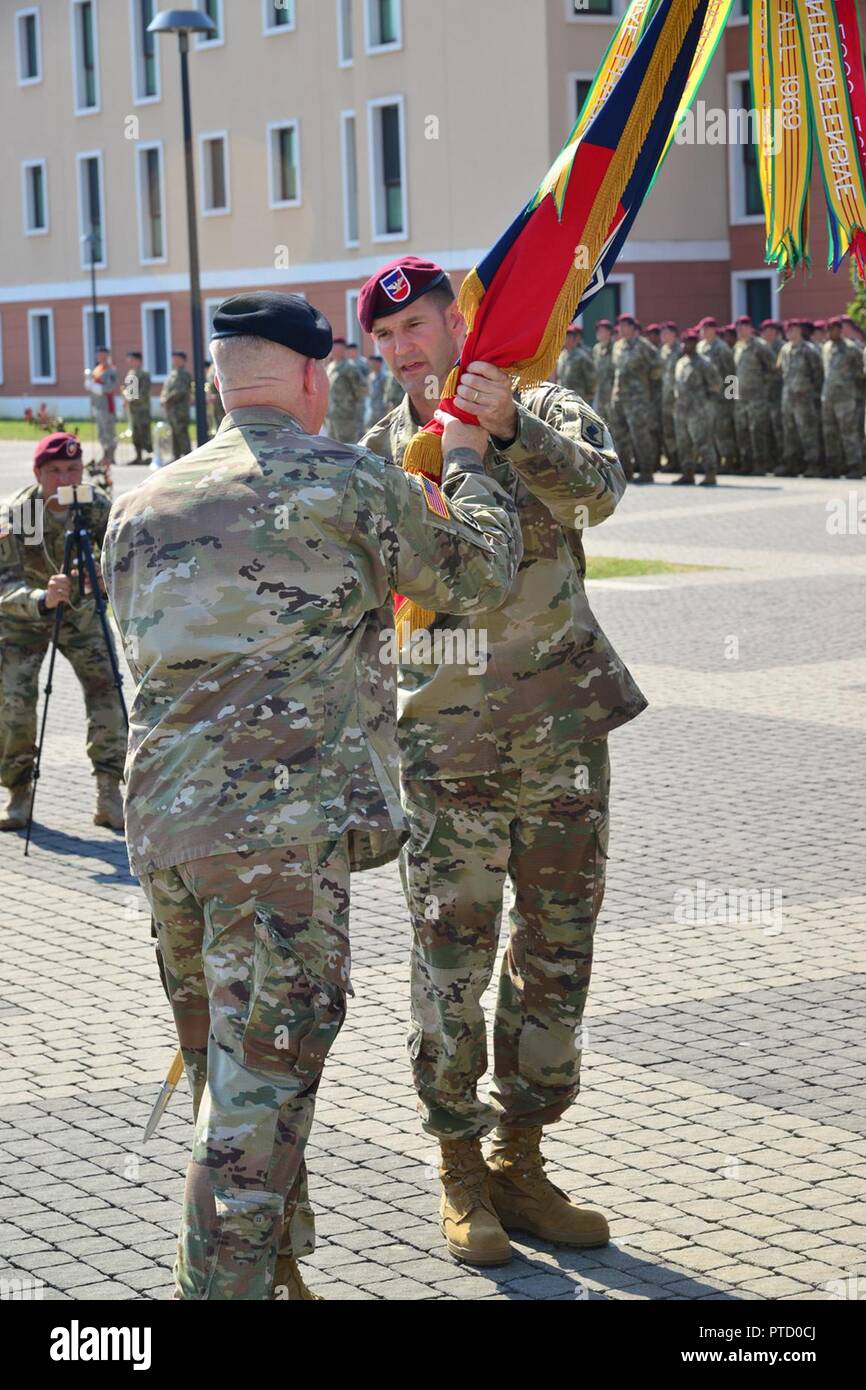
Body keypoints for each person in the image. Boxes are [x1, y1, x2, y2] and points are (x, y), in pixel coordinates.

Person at [101, 290, 521, 1301]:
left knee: (225, 1072)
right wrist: (464, 460)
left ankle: (276, 1268)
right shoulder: (350, 483)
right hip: (277, 847)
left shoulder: (140, 504)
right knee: (257, 1096)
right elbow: (480, 577)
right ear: (309, 376)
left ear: (216, 381)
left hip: (165, 833)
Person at [358, 254, 647, 1267]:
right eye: (384, 340)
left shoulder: (544, 403)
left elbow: (601, 495)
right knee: (451, 963)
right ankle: (458, 1165)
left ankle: (523, 1157)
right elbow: (380, 600)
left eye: (416, 329)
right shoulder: (385, 455)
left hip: (562, 736)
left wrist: (512, 434)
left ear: (456, 323)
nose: (401, 352)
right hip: (449, 749)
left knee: (555, 954)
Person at [0, 433, 126, 832]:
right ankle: (18, 792)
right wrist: (41, 596)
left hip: (82, 616)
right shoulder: (23, 514)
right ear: (38, 474)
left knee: (107, 689)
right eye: (54, 472)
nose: (65, 479)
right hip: (26, 620)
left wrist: (106, 577)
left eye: (72, 470)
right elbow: (4, 585)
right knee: (14, 701)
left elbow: (126, 556)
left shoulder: (93, 506)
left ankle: (110, 792)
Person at [610, 312, 661, 482]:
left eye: (626, 326)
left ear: (633, 328)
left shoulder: (643, 345)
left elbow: (658, 366)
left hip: (637, 399)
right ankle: (626, 470)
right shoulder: (618, 346)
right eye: (620, 326)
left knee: (640, 435)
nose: (622, 329)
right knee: (620, 436)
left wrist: (646, 384)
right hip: (619, 399)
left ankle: (646, 470)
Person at [776, 319, 824, 478]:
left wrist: (812, 393)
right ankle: (792, 463)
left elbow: (818, 374)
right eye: (789, 330)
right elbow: (781, 370)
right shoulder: (784, 349)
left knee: (807, 431)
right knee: (789, 432)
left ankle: (813, 463)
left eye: (795, 330)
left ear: (801, 332)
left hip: (804, 398)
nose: (791, 333)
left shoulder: (809, 350)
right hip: (788, 397)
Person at [672, 329, 720, 486]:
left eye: (691, 342)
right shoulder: (681, 362)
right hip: (681, 409)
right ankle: (688, 473)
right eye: (685, 342)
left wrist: (703, 400)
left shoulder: (704, 362)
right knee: (683, 442)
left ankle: (710, 473)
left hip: (698, 410)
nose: (687, 345)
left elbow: (716, 384)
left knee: (702, 441)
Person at [733, 315, 779, 475]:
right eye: (737, 328)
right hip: (740, 398)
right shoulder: (737, 347)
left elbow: (774, 370)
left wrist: (762, 387)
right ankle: (747, 463)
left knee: (757, 431)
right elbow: (732, 373)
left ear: (750, 329)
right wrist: (731, 394)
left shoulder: (760, 346)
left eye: (742, 327)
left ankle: (761, 464)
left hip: (756, 397)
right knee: (742, 431)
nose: (739, 330)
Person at [822, 316, 865, 480]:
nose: (832, 332)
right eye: (830, 328)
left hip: (845, 398)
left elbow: (860, 372)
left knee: (849, 433)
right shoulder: (825, 348)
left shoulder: (851, 348)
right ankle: (834, 465)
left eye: (835, 328)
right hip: (828, 397)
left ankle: (855, 465)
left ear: (840, 330)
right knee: (830, 432)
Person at [697, 316, 739, 472]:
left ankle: (728, 460)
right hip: (704, 397)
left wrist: (731, 397)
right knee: (707, 430)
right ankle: (712, 461)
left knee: (722, 430)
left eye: (707, 329)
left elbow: (731, 374)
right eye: (702, 329)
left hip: (720, 398)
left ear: (714, 330)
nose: (703, 332)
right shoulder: (700, 347)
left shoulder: (722, 349)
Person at [325, 338, 367, 443]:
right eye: (332, 347)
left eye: (336, 348)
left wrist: (350, 406)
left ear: (343, 350)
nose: (333, 350)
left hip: (346, 417)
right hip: (332, 415)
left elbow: (361, 390)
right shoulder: (330, 367)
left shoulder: (350, 367)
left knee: (347, 448)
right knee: (333, 447)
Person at [85, 346, 118, 469]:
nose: (101, 357)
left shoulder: (111, 370)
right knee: (101, 432)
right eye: (99, 355)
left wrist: (95, 387)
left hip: (106, 405)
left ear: (107, 356)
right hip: (98, 405)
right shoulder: (97, 369)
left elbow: (109, 387)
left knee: (108, 430)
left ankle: (110, 455)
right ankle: (105, 454)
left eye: (103, 355)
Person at [160, 350, 193, 460]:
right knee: (173, 433)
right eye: (173, 358)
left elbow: (181, 391)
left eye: (177, 358)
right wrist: (162, 398)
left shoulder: (184, 374)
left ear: (183, 360)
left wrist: (167, 400)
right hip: (171, 410)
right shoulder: (172, 374)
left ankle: (188, 457)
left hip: (180, 410)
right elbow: (165, 389)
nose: (174, 360)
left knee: (181, 433)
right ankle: (176, 456)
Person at [122, 352, 153, 466]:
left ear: (139, 361)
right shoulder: (130, 374)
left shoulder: (143, 374)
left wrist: (131, 399)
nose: (129, 362)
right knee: (135, 434)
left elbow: (143, 392)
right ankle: (138, 456)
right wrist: (126, 398)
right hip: (133, 410)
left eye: (132, 360)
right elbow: (129, 391)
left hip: (142, 409)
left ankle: (150, 456)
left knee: (144, 432)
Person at [659, 320, 681, 472]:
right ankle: (672, 460)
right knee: (667, 431)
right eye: (663, 333)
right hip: (665, 397)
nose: (664, 336)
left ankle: (683, 461)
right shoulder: (663, 351)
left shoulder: (681, 350)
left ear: (674, 334)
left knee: (679, 431)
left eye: (667, 332)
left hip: (678, 398)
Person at [556, 324, 597, 402]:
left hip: (578, 397)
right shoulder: (562, 356)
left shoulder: (582, 356)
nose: (566, 339)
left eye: (569, 337)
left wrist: (589, 394)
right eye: (565, 336)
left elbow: (591, 377)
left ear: (575, 340)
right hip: (563, 397)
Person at [365, 354, 403, 429]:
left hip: (382, 408)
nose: (372, 365)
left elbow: (388, 392)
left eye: (374, 363)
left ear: (379, 363)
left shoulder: (385, 377)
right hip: (373, 408)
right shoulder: (371, 377)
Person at [592, 317, 616, 421]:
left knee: (614, 421)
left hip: (612, 391)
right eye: (598, 330)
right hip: (600, 391)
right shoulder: (596, 349)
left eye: (602, 330)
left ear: (609, 332)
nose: (599, 333)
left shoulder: (616, 348)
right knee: (602, 422)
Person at [204, 359, 225, 435]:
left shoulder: (221, 364)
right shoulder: (213, 367)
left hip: (220, 402)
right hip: (214, 404)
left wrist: (216, 397)